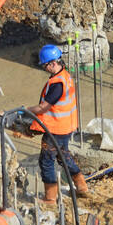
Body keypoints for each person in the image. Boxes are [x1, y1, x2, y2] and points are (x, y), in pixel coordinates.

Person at [27, 44, 92, 205]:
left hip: (56, 128)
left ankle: (50, 198)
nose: (45, 69)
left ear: (52, 63)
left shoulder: (57, 84)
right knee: (63, 156)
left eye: (45, 66)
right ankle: (81, 186)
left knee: (46, 160)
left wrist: (25, 110)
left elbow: (44, 107)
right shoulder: (66, 76)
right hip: (66, 126)